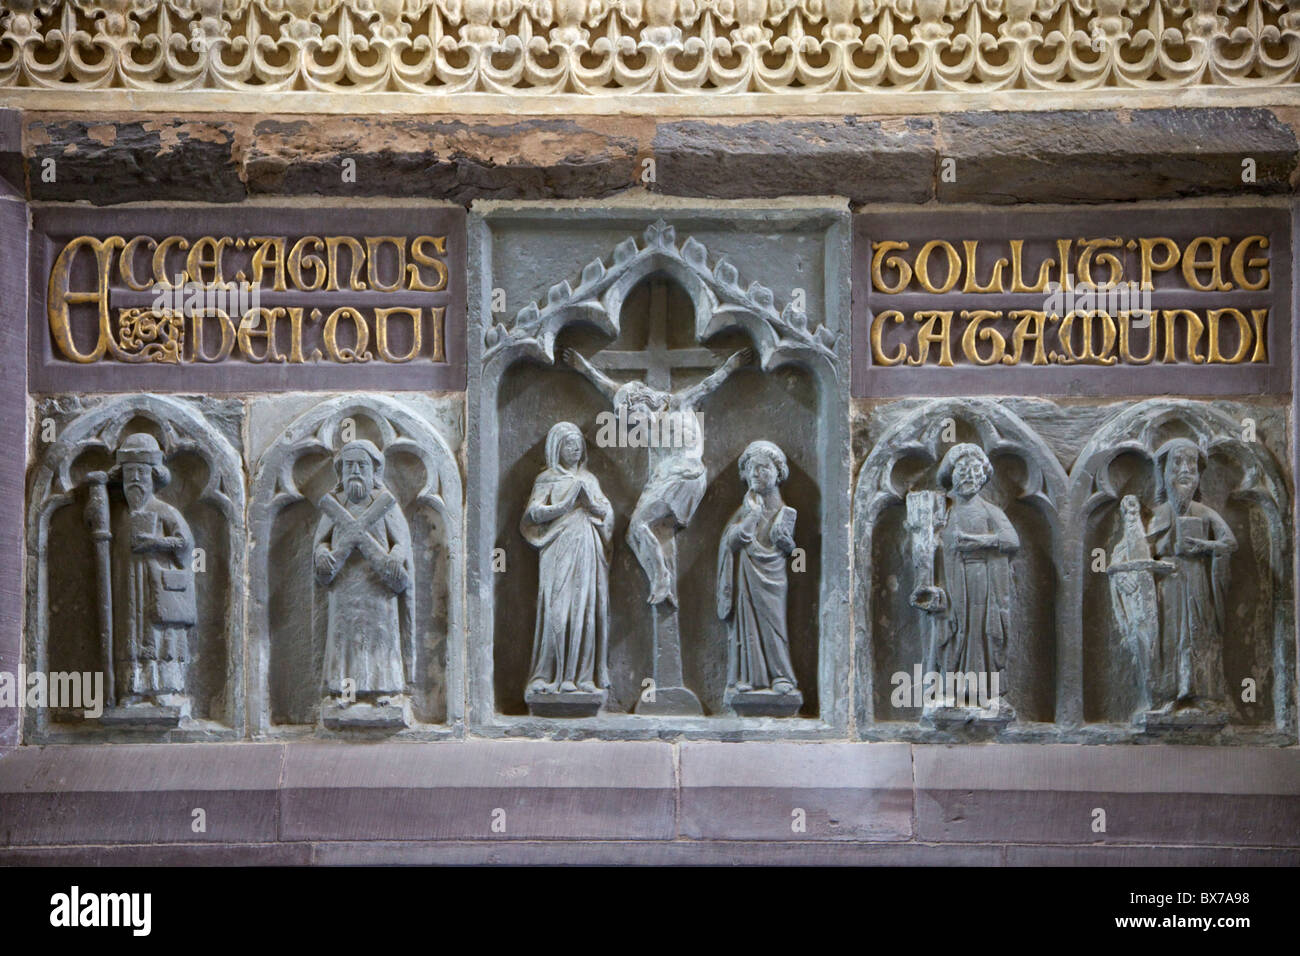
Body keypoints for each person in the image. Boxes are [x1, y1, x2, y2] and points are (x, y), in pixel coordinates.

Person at [562, 346, 752, 606]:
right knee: (632, 534)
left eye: (633, 418)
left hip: (685, 472)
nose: (634, 426)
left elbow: (708, 385)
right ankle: (661, 579)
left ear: (643, 403)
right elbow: (610, 389)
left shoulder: (678, 404)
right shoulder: (643, 420)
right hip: (667, 476)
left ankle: (662, 578)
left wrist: (731, 366)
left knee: (639, 526)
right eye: (629, 424)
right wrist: (585, 368)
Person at [313, 439, 414, 708]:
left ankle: (385, 690)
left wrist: (396, 555)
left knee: (380, 636)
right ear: (341, 474)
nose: (355, 471)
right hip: (345, 586)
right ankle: (345, 693)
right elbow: (322, 541)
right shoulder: (335, 507)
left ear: (374, 472)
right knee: (345, 638)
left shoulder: (385, 505)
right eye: (349, 466)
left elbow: (401, 541)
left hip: (378, 587)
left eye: (362, 465)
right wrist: (322, 553)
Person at [1145, 438, 1237, 716]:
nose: (1185, 471)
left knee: (1200, 633)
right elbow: (1144, 549)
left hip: (1197, 579)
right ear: (1165, 473)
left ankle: (1203, 695)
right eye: (1177, 463)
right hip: (1168, 583)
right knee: (1169, 636)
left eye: (1192, 465)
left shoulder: (1205, 513)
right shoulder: (1159, 514)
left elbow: (1229, 543)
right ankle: (1168, 695)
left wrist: (1206, 547)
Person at [521, 422, 613, 695]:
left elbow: (606, 514)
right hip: (557, 547)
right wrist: (564, 505)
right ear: (556, 449)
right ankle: (546, 675)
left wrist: (593, 506)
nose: (575, 449)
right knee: (557, 609)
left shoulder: (590, 480)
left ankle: (583, 677)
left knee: (585, 610)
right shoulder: (547, 479)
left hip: (587, 545)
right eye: (569, 444)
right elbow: (533, 514)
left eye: (578, 445)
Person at [112, 433, 195, 708]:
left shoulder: (164, 511)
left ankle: (163, 689)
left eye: (141, 473)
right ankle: (133, 688)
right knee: (130, 633)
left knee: (161, 635)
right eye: (129, 474)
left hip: (157, 585)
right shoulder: (121, 516)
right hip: (128, 586)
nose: (134, 479)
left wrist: (155, 543)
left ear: (153, 477)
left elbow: (185, 543)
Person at [717, 440, 798, 696]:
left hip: (773, 576)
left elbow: (796, 555)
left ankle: (781, 676)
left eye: (763, 468)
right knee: (746, 623)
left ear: (778, 474)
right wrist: (751, 517)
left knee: (775, 626)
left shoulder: (786, 512)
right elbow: (733, 540)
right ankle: (747, 676)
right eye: (752, 468)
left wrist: (789, 546)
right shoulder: (746, 510)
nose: (756, 473)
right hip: (746, 574)